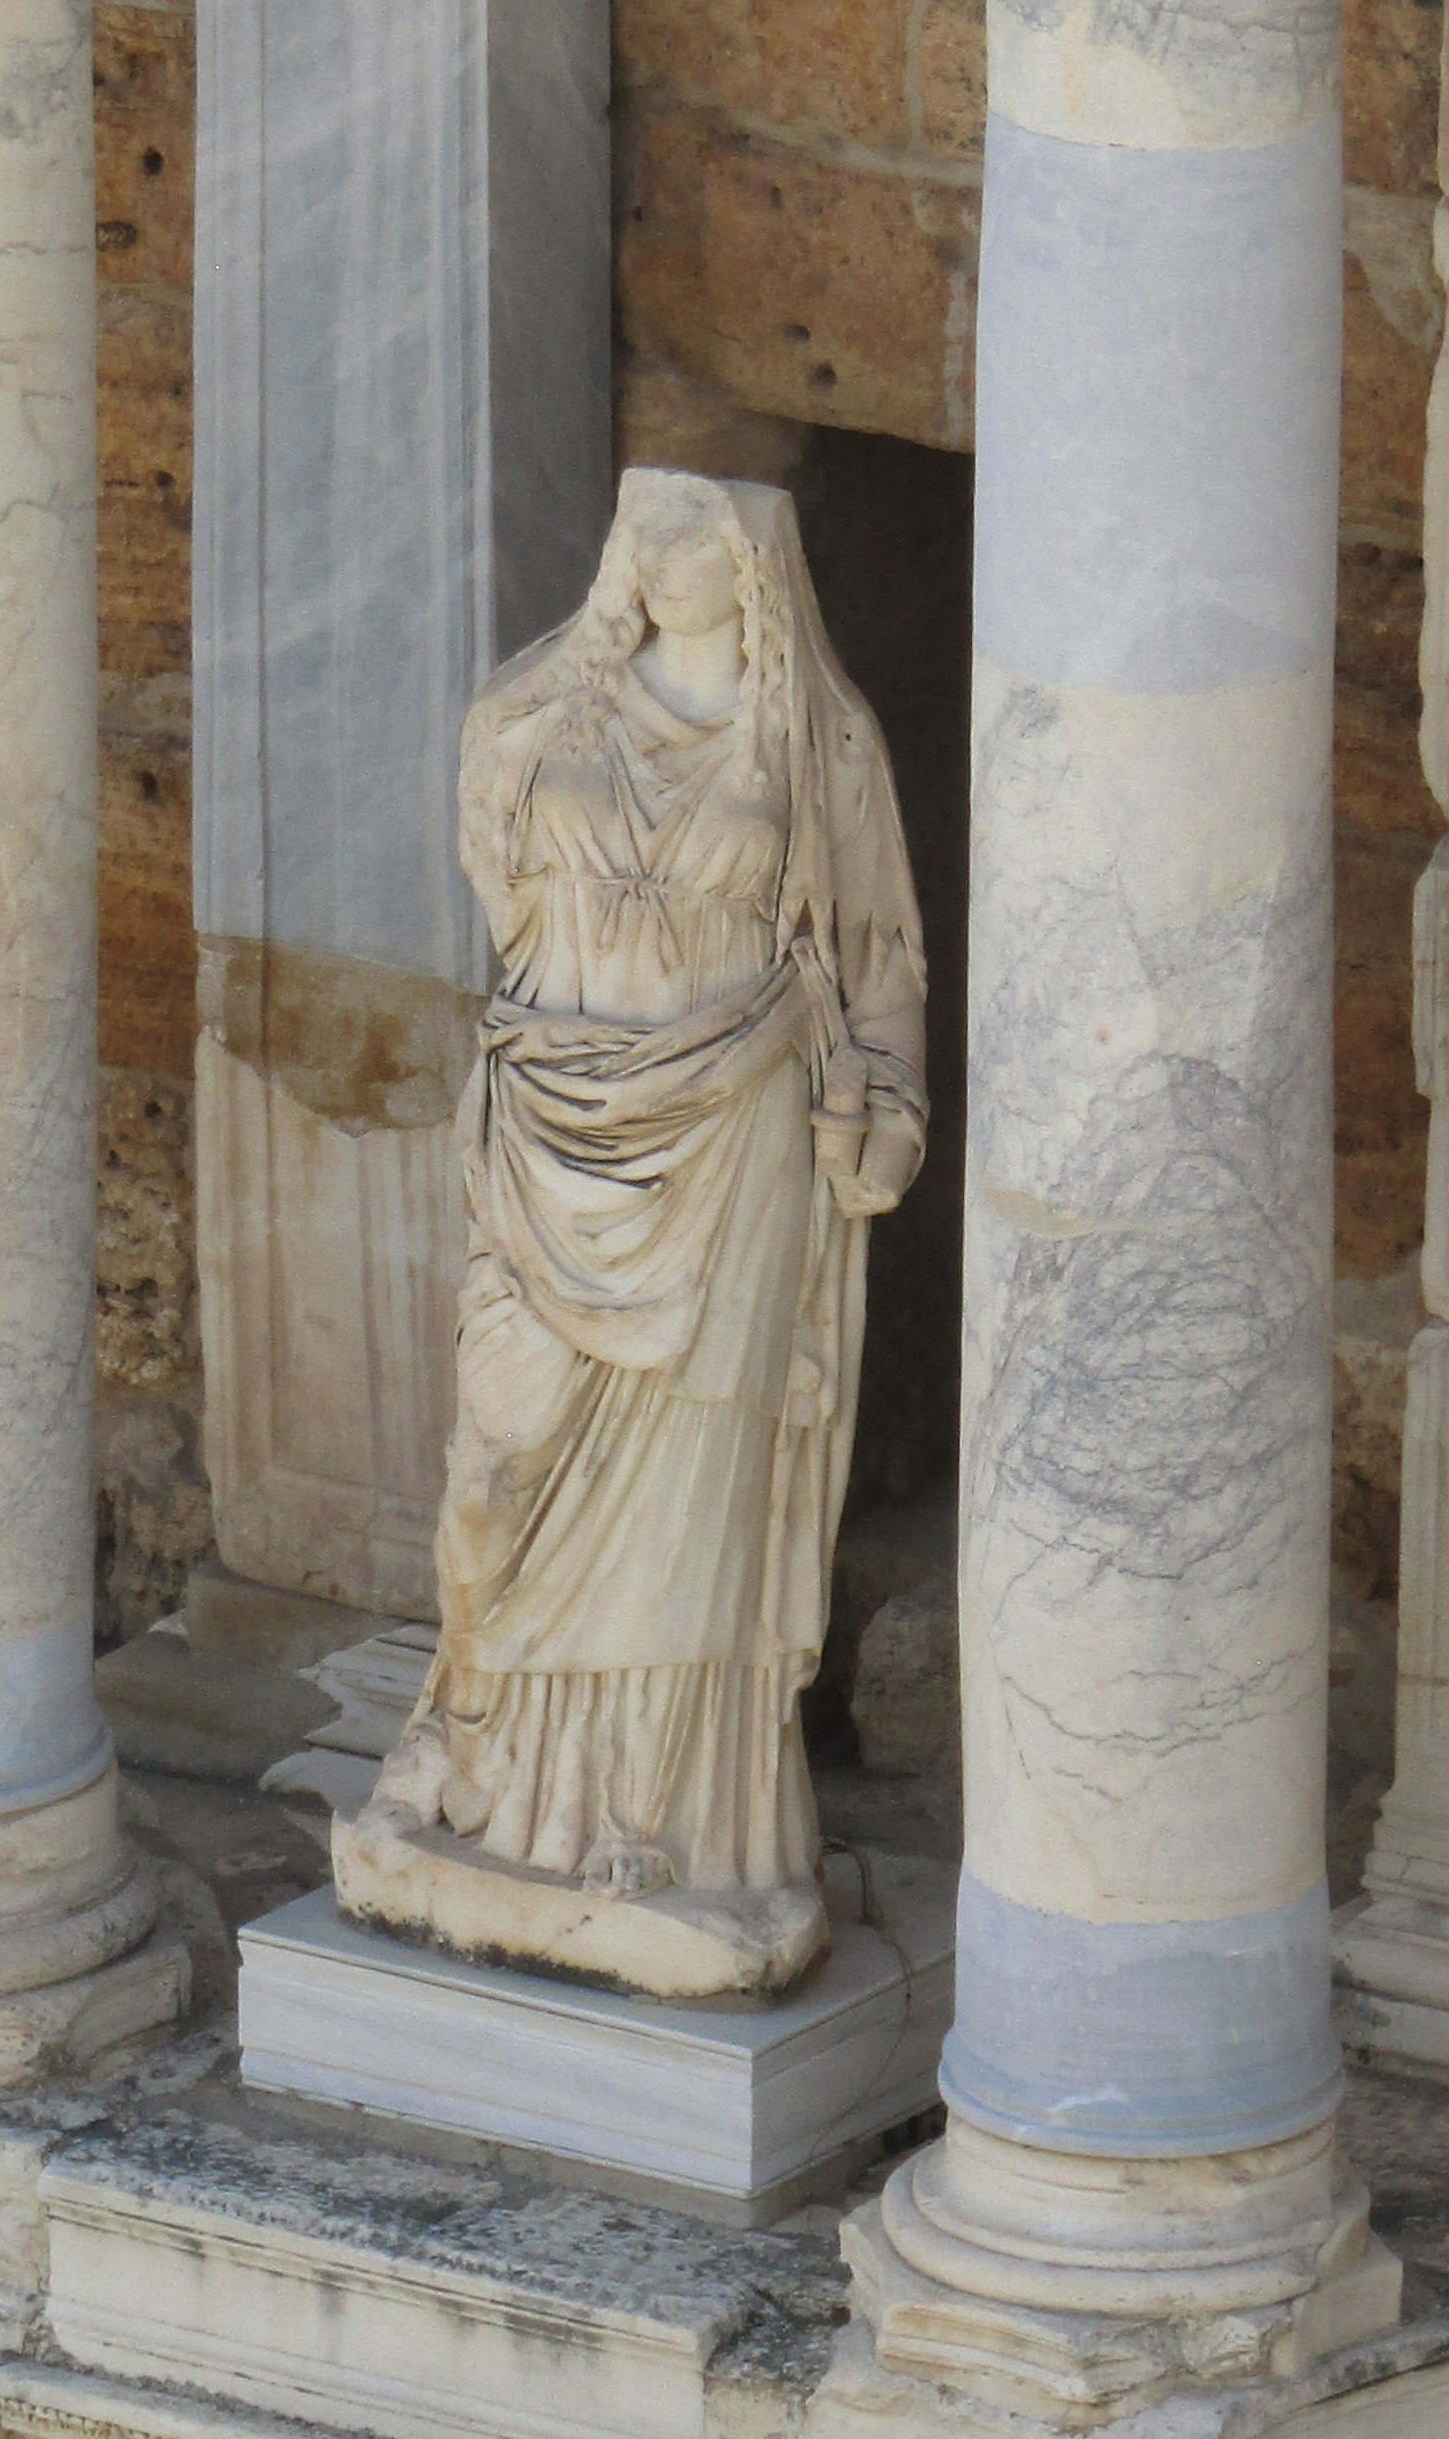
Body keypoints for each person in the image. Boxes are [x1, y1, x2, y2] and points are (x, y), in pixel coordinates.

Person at [340, 468, 925, 1999]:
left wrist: (886, 1108)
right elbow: (494, 866)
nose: (664, 558)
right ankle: (477, 1764)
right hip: (554, 1124)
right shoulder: (544, 715)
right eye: (644, 531)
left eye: (697, 536)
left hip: (733, 1150)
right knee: (498, 1465)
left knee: (688, 1501)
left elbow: (877, 962)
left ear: (756, 565)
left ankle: (654, 1826)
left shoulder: (818, 748)